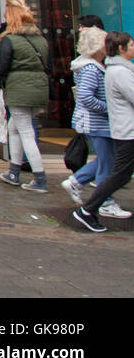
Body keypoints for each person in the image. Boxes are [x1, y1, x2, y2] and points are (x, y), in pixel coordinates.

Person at [62, 26, 129, 218]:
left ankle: (76, 181)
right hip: (96, 123)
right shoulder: (92, 68)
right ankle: (105, 202)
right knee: (108, 161)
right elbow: (86, 97)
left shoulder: (93, 65)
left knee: (107, 159)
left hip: (96, 122)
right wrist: (110, 108)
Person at [0, 0, 50, 192]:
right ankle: (13, 171)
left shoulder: (9, 40)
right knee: (15, 127)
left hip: (19, 89)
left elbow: (2, 66)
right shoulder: (41, 39)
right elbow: (47, 65)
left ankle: (40, 177)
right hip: (39, 88)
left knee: (26, 131)